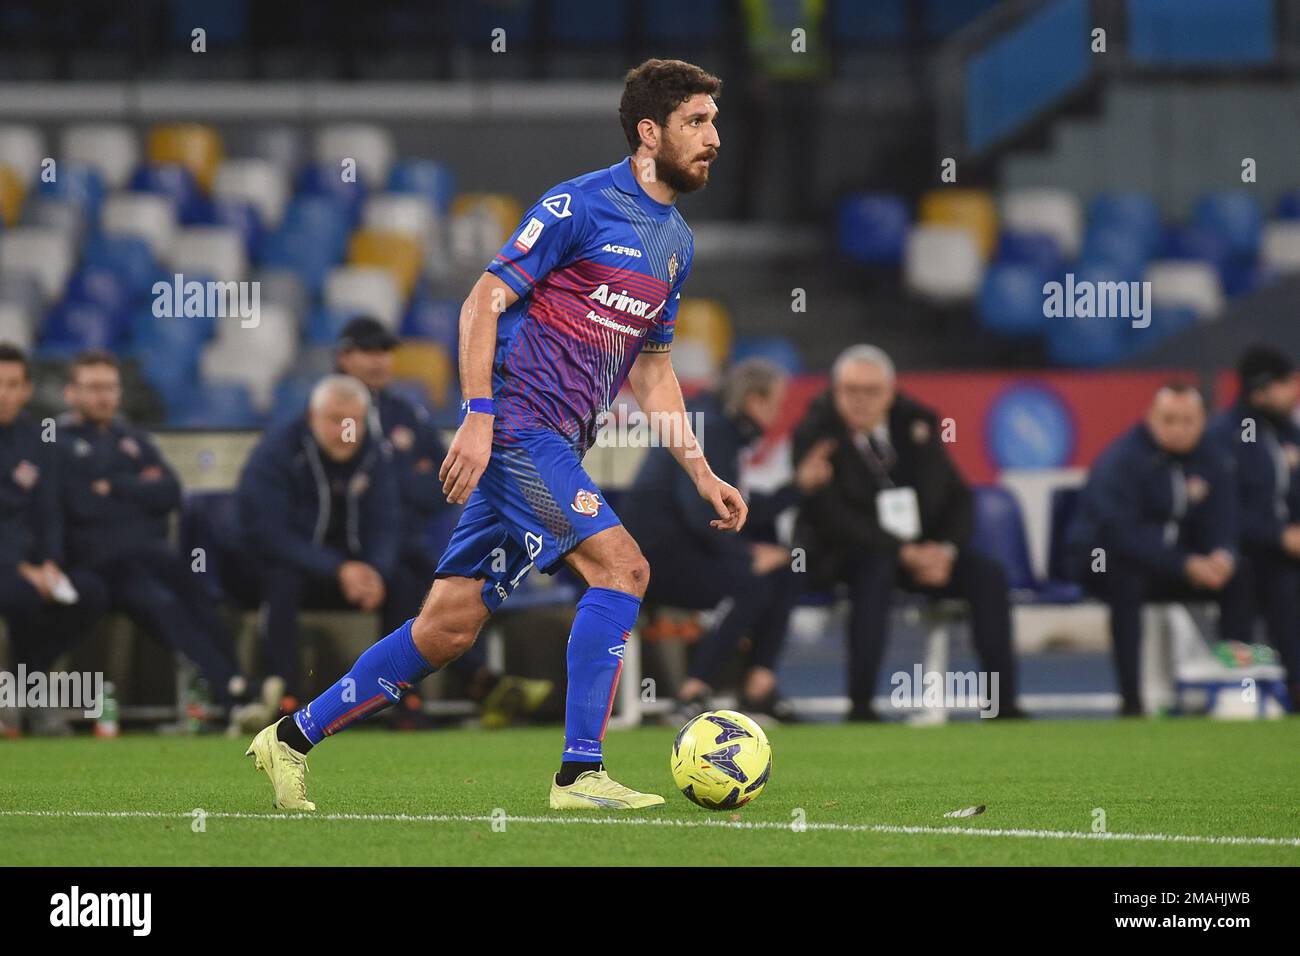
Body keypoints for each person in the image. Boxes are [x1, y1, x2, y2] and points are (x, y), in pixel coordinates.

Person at [245, 58, 744, 812]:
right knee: (624, 569)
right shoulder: (578, 205)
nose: (714, 138)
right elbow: (482, 301)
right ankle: (580, 774)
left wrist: (700, 470)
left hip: (556, 445)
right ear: (650, 132)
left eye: (714, 122)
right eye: (697, 123)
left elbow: (653, 368)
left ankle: (288, 738)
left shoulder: (675, 243)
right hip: (518, 429)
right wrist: (478, 415)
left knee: (446, 628)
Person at [333, 317, 552, 726]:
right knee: (404, 572)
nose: (380, 361)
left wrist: (397, 483)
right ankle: (464, 687)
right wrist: (400, 480)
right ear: (344, 357)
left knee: (445, 572)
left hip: (407, 540)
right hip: (347, 544)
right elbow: (343, 488)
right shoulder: (331, 407)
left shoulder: (404, 410)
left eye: (385, 352)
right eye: (368, 351)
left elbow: (446, 478)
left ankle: (441, 691)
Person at [793, 345, 1023, 721]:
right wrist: (902, 551)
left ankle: (1003, 704)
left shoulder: (917, 425)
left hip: (924, 551)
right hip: (850, 554)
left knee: (988, 575)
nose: (860, 400)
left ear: (891, 392)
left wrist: (944, 551)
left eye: (871, 391)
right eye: (850, 390)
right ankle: (861, 706)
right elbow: (829, 516)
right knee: (875, 568)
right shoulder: (814, 435)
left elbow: (958, 497)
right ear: (834, 391)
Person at [57, 350, 273, 733]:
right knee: (164, 604)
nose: (103, 396)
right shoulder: (57, 441)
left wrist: (114, 487)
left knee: (201, 591)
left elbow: (170, 492)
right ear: (70, 393)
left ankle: (239, 687)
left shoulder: (132, 439)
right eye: (92, 388)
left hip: (150, 555)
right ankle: (236, 695)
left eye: (109, 387)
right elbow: (81, 504)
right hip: (98, 563)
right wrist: (138, 489)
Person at [622, 358, 832, 722]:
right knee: (754, 583)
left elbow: (735, 507)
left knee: (784, 572)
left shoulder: (716, 424)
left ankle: (758, 685)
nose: (780, 411)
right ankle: (693, 692)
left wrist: (797, 487)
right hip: (658, 558)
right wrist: (747, 555)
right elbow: (700, 512)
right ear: (754, 400)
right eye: (775, 402)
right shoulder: (715, 430)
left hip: (676, 550)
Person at [1072, 383, 1248, 716]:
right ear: (1149, 418)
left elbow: (1226, 518)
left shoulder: (1215, 458)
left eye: (1188, 420)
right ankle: (1132, 701)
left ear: (1202, 421)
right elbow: (1120, 535)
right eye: (1169, 420)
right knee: (1124, 576)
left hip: (1174, 564)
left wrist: (1223, 556)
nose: (1179, 429)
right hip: (1101, 560)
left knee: (1239, 577)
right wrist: (1185, 563)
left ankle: (1235, 689)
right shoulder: (1121, 459)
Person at [232, 374, 400, 707]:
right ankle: (287, 697)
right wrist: (338, 568)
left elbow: (388, 522)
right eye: (335, 421)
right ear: (312, 417)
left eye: (353, 422)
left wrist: (376, 571)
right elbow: (268, 534)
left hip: (354, 573)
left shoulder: (375, 455)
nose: (345, 431)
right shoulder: (276, 453)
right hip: (288, 567)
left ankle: (399, 699)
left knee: (408, 578)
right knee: (282, 579)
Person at [0, 344, 106, 736]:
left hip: (34, 564)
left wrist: (50, 562)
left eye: (13, 384)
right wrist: (20, 567)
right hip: (9, 567)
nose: (4, 394)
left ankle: (21, 685)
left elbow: (50, 510)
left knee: (92, 592)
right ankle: (31, 702)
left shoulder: (40, 438)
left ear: (27, 389)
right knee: (21, 597)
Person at [1206, 346, 1300, 707]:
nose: (1294, 392)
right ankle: (1245, 693)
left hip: (1283, 549)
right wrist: (1280, 535)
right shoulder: (1229, 434)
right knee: (1278, 585)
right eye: (1286, 384)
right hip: (1246, 550)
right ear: (1261, 390)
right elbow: (1225, 510)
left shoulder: (1287, 431)